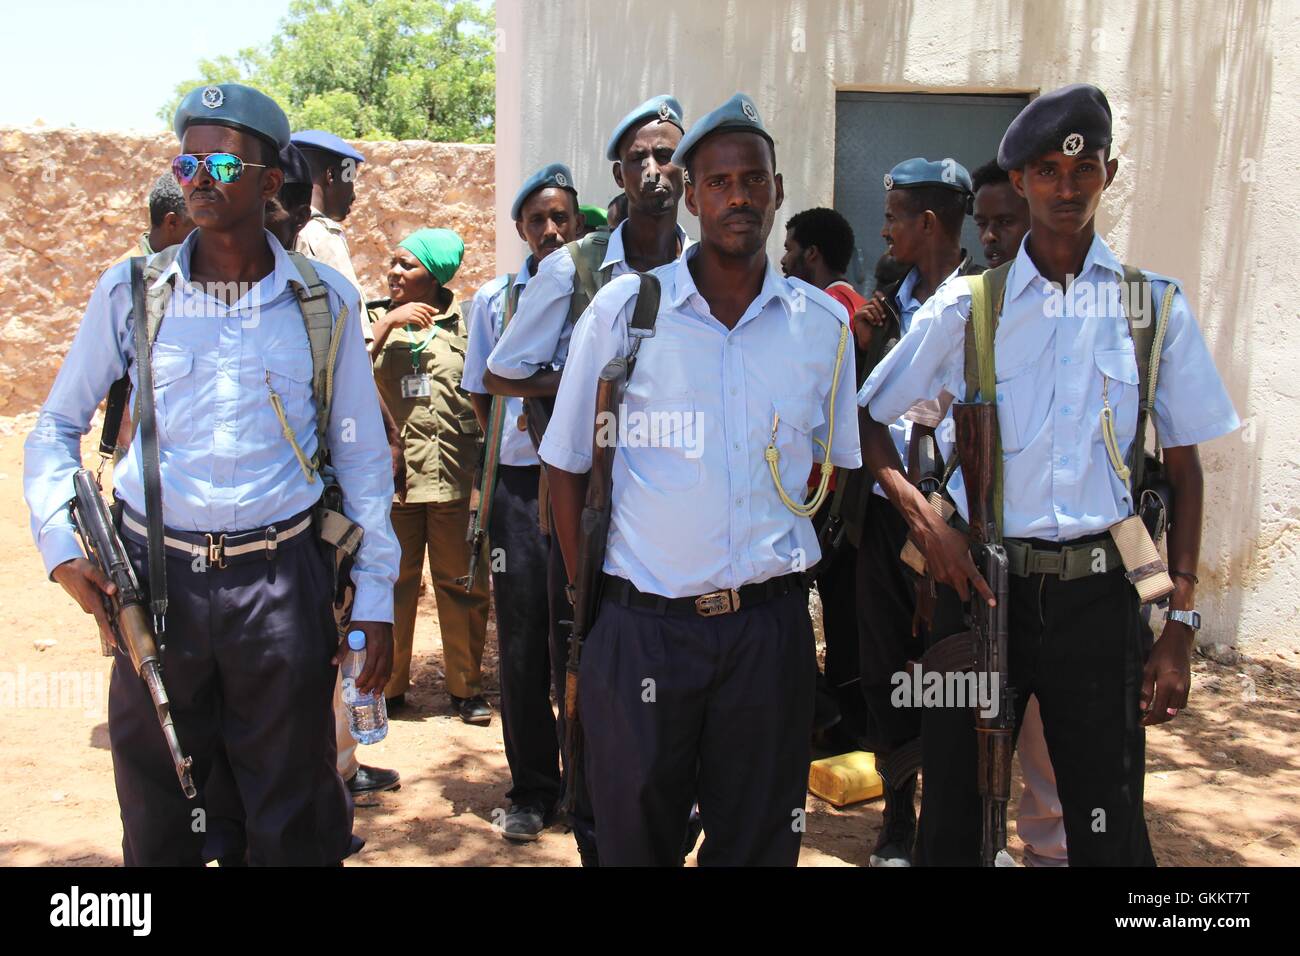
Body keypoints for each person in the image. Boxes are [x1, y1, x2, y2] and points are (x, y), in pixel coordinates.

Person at [857, 83, 1239, 866]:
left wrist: (1181, 629)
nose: (1067, 189)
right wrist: (927, 521)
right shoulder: (969, 307)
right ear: (1022, 180)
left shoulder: (1148, 307)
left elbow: (1187, 467)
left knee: (1106, 819)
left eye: (1085, 169)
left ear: (1109, 172)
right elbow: (864, 422)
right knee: (955, 824)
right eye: (1047, 172)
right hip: (978, 592)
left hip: (1098, 600)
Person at [24, 83, 398, 865]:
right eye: (186, 161)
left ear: (270, 183)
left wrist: (376, 596)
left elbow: (362, 455)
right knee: (165, 812)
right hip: (157, 585)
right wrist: (61, 544)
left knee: (292, 808)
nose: (198, 177)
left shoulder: (322, 299)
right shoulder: (131, 291)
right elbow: (57, 426)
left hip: (283, 585)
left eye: (221, 162)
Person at [541, 93, 861, 866]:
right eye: (719, 183)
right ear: (693, 196)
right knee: (632, 842)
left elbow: (839, 469)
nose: (739, 196)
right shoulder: (627, 310)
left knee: (756, 844)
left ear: (779, 192)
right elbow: (564, 466)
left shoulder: (821, 327)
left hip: (767, 636)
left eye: (754, 180)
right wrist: (600, 605)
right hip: (643, 631)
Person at [484, 92, 692, 866]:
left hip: (673, 502)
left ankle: (661, 811)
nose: (653, 169)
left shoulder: (704, 268)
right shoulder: (573, 269)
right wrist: (582, 387)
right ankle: (566, 800)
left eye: (666, 154)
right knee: (574, 650)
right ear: (619, 174)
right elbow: (503, 371)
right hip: (583, 493)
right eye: (638, 158)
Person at [845, 158, 984, 866]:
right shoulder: (885, 301)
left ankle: (957, 825)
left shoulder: (988, 301)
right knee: (882, 669)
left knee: (953, 673)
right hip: (884, 512)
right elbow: (856, 406)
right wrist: (858, 344)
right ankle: (897, 821)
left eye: (895, 215)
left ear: (928, 223)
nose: (885, 228)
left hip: (956, 522)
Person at [463, 163, 581, 842]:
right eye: (537, 219)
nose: (550, 229)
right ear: (519, 230)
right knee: (523, 643)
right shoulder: (494, 300)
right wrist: (512, 450)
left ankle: (590, 780)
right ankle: (534, 789)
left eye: (561, 216)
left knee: (585, 635)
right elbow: (485, 386)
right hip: (518, 489)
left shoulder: (602, 293)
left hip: (587, 490)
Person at [971, 156, 1067, 867]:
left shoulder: (1116, 306)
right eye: (987, 223)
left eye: (1006, 220)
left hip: (1072, 589)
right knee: (970, 758)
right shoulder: (967, 309)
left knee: (1055, 768)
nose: (995, 236)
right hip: (980, 577)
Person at [369, 228, 492, 725]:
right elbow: (343, 371)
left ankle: (466, 688)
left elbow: (489, 392)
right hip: (394, 481)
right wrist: (388, 324)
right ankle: (390, 686)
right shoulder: (374, 319)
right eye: (393, 263)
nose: (394, 273)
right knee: (394, 583)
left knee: (461, 583)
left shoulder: (468, 324)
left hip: (454, 477)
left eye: (407, 266)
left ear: (436, 275)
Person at [780, 206, 870, 751]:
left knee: (789, 603)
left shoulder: (829, 307)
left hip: (818, 492)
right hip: (835, 492)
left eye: (790, 247)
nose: (783, 258)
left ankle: (826, 712)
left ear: (811, 254)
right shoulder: (854, 303)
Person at [292, 129, 367, 310]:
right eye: (350, 179)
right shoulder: (321, 236)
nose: (354, 194)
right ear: (331, 175)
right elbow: (349, 319)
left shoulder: (281, 228)